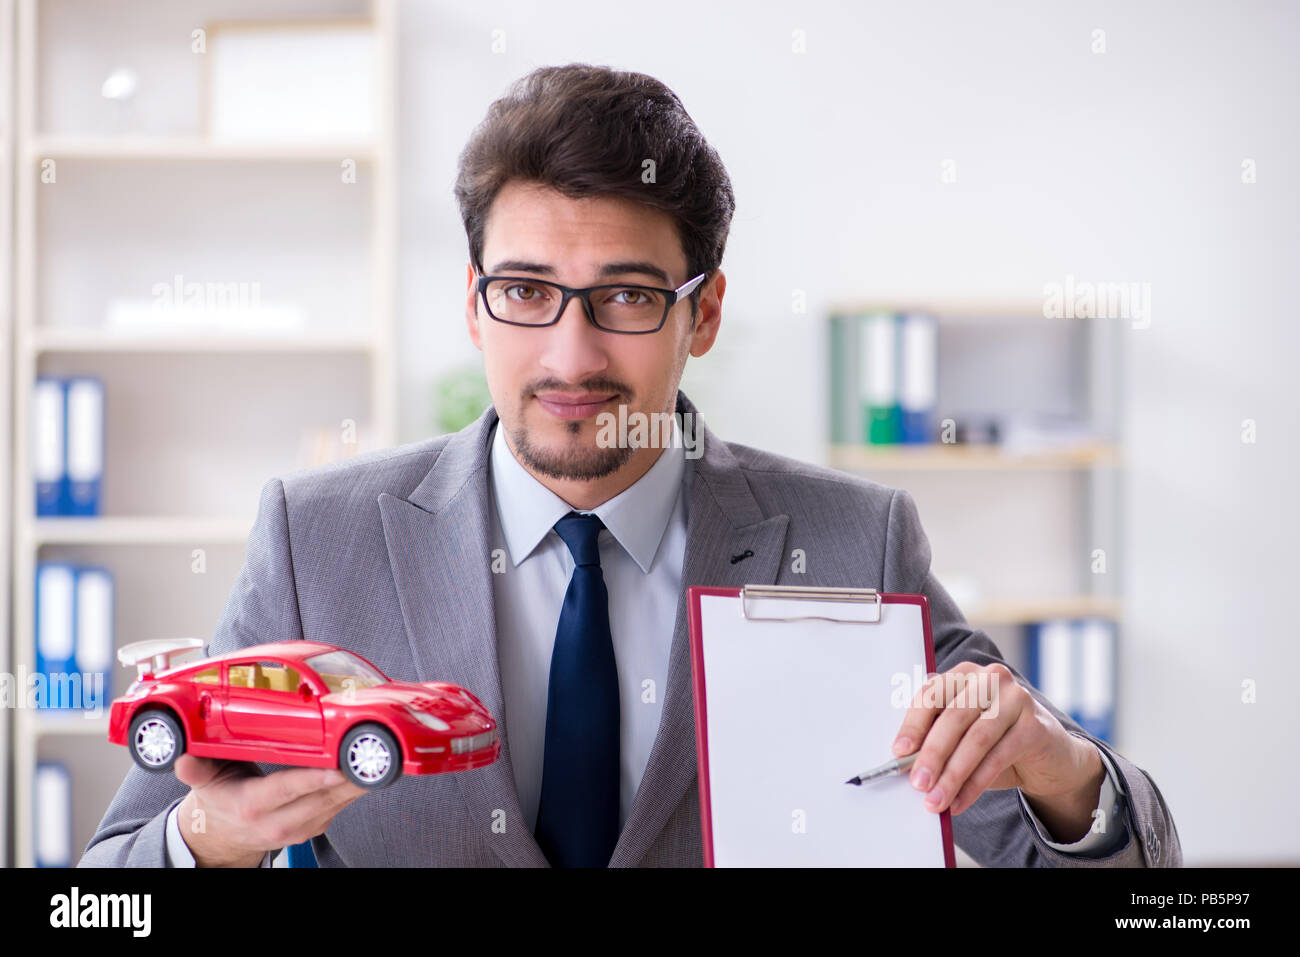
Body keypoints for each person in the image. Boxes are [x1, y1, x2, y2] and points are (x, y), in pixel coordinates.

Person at [80, 63, 1180, 868]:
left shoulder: (854, 540)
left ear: (703, 313)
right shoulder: (315, 537)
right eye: (525, 291)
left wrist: (1060, 767)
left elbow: (1135, 879)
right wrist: (208, 836)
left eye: (626, 296)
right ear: (473, 305)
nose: (571, 356)